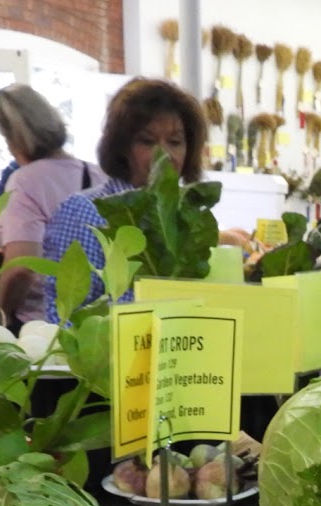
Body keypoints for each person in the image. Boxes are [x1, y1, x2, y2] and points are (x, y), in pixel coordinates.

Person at [41, 79, 204, 324]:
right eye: (147, 141)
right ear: (122, 147)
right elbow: (62, 316)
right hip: (110, 359)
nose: (164, 154)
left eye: (175, 142)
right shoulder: (85, 212)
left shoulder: (186, 218)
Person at [0, 83, 105, 330]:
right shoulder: (96, 174)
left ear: (11, 136)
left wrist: (2, 317)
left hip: (41, 328)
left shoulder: (24, 182)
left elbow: (22, 268)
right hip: (93, 322)